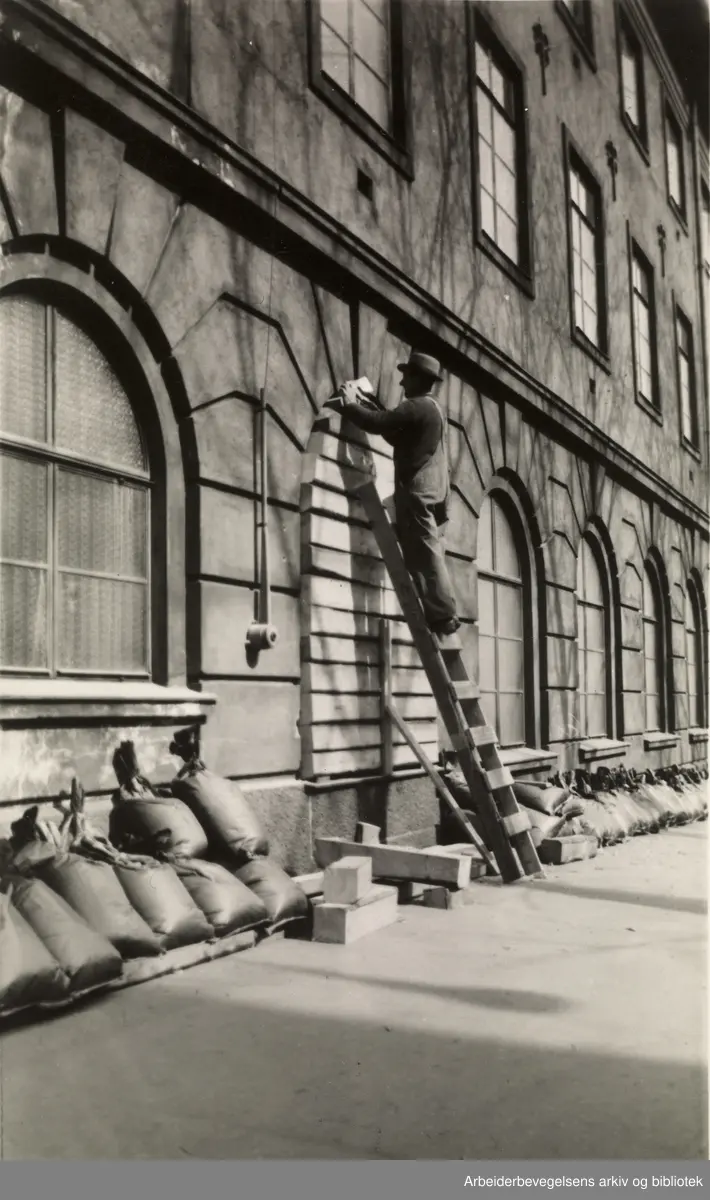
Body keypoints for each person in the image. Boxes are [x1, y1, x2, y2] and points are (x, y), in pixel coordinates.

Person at [325, 349, 460, 636]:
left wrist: (349, 405)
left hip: (418, 491)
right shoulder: (432, 409)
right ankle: (440, 613)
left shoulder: (416, 406)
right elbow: (393, 433)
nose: (401, 383)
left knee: (424, 553)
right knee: (423, 550)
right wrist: (373, 405)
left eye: (405, 377)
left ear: (416, 377)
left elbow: (379, 425)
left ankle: (444, 616)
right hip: (434, 491)